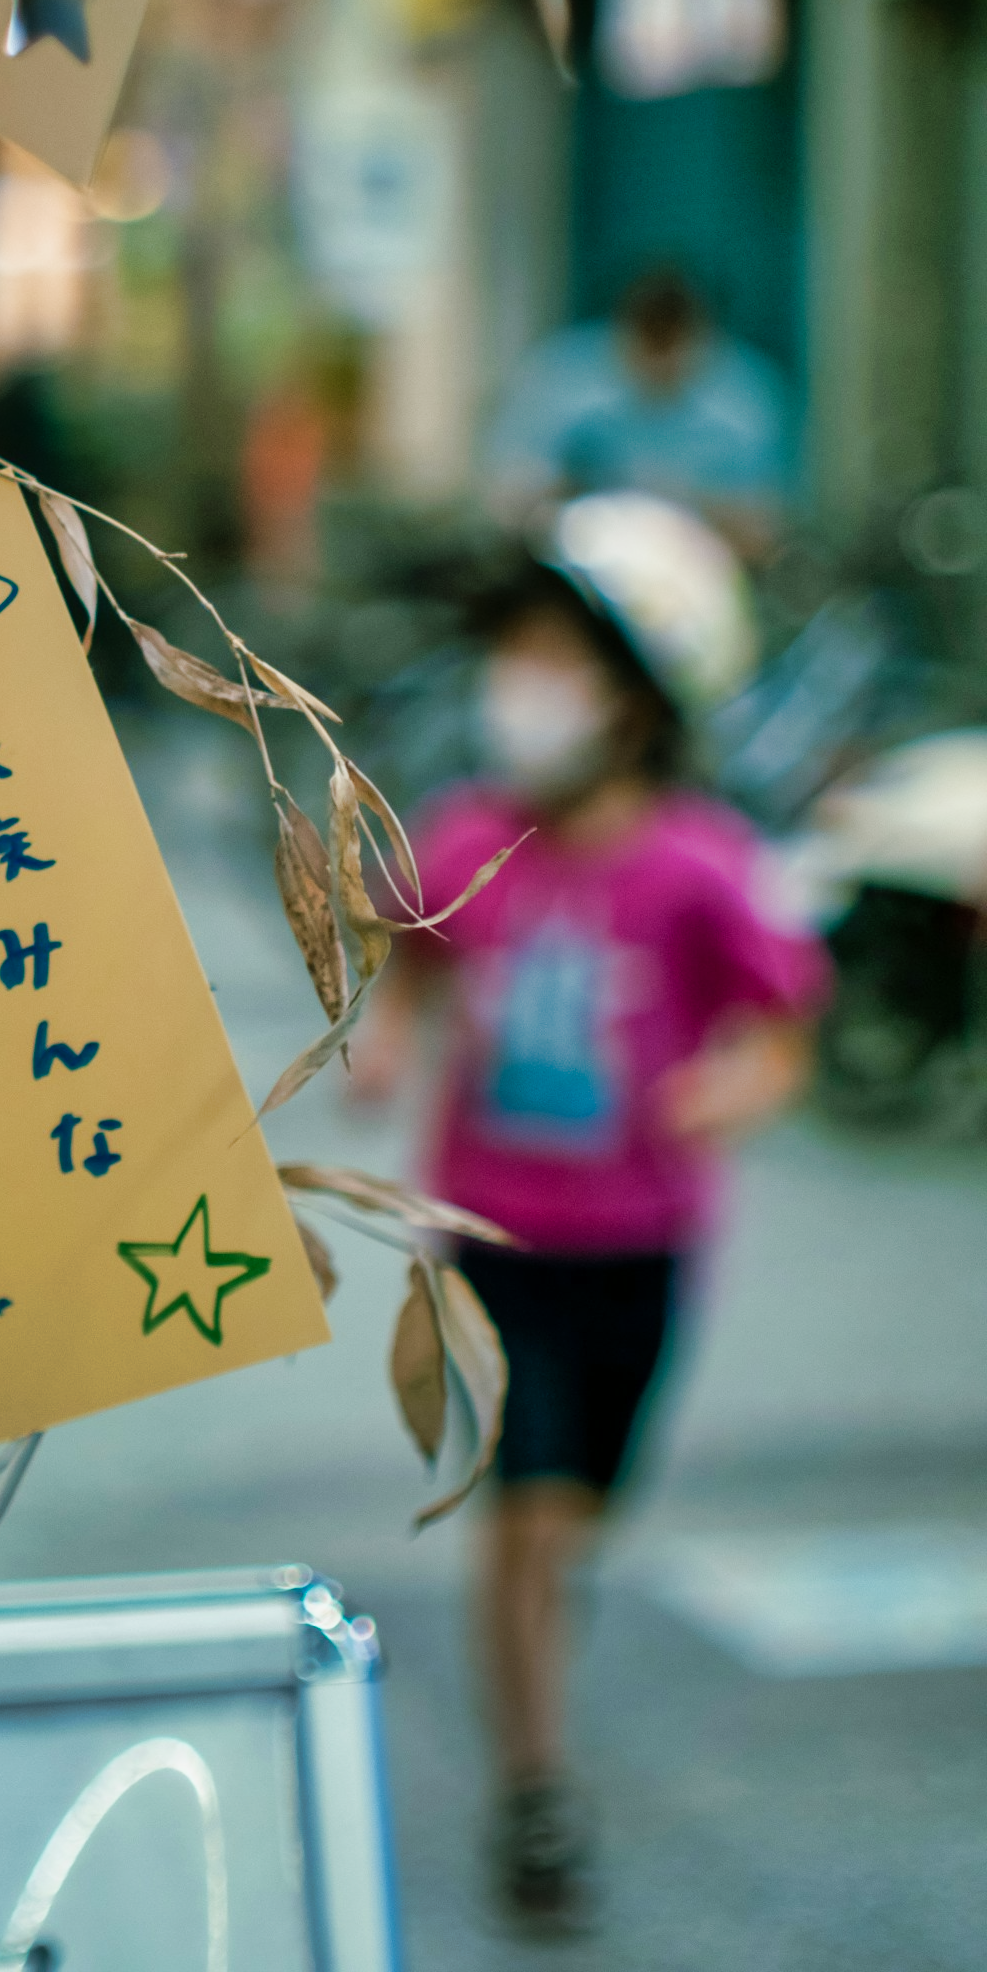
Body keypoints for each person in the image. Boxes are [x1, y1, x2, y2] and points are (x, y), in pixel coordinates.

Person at [352, 493, 829, 1934]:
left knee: (580, 1512)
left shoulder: (699, 863)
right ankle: (538, 1789)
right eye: (519, 654)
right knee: (531, 1519)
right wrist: (387, 1032)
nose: (524, 689)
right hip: (491, 1246)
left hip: (642, 1250)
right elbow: (409, 946)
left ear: (641, 696)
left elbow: (784, 1016)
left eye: (561, 659)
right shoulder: (466, 836)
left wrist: (736, 1086)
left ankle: (545, 1642)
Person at [486, 268, 791, 554]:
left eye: (672, 342)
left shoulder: (745, 400)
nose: (659, 361)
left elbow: (765, 527)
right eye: (649, 339)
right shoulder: (562, 381)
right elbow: (514, 499)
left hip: (702, 561)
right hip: (585, 554)